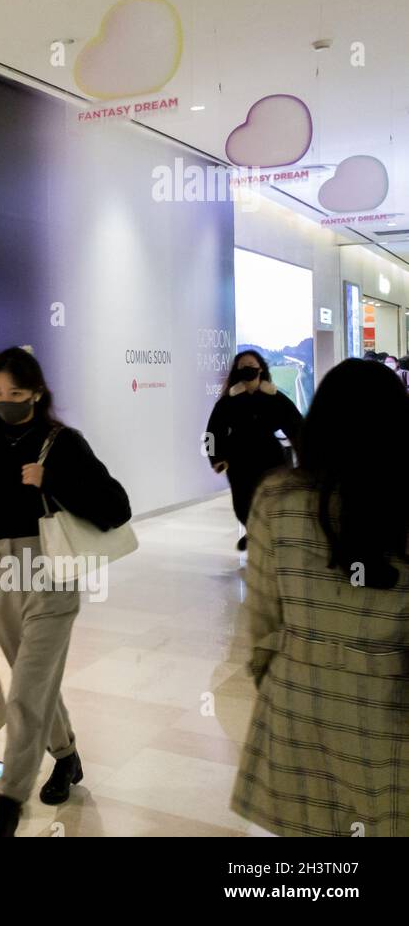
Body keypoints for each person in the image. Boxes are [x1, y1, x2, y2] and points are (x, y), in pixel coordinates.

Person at [0, 346, 131, 836]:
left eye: (14, 392)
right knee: (37, 683)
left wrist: (53, 480)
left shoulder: (63, 443)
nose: (4, 401)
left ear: (36, 393)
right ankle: (67, 756)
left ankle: (8, 805)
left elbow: (117, 507)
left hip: (50, 577)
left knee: (26, 693)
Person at [232, 359, 409, 836]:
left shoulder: (277, 500)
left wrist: (276, 670)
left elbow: (263, 619)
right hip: (390, 707)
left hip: (299, 702)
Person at [204, 350, 304, 551]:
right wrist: (216, 458)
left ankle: (266, 535)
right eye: (242, 366)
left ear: (260, 368)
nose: (247, 368)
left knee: (273, 500)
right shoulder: (228, 402)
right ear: (236, 371)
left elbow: (295, 424)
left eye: (251, 364)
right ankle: (254, 531)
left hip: (271, 458)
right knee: (242, 503)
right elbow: (213, 432)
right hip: (239, 459)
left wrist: (303, 450)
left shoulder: (275, 398)